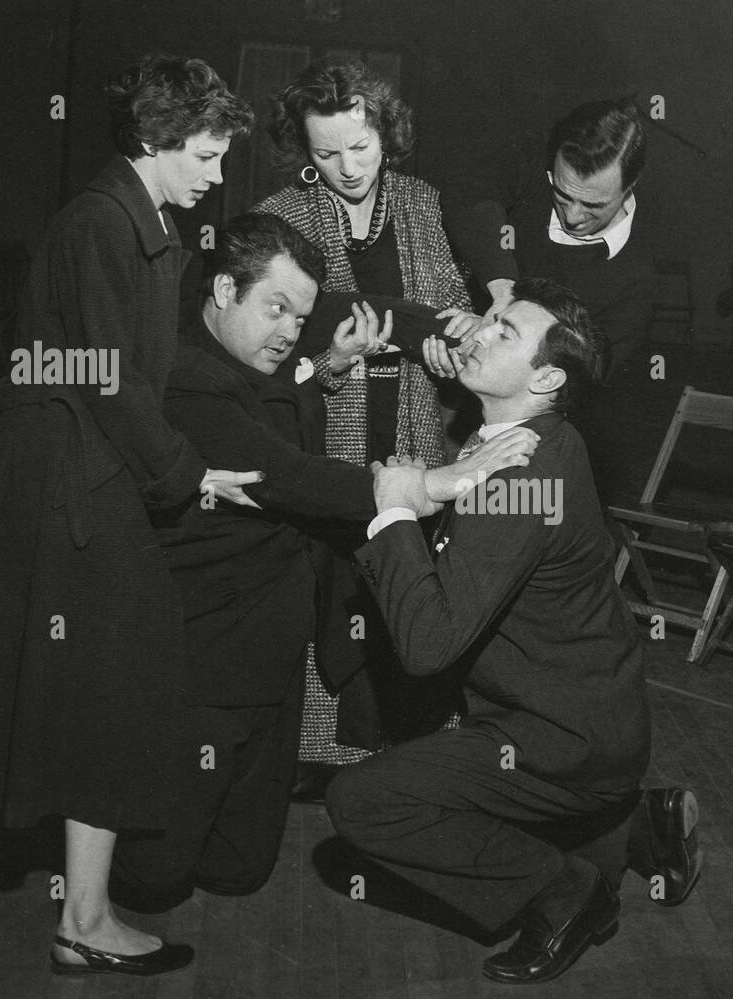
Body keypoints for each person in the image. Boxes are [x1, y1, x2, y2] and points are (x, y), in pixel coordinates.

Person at [0, 56, 259, 977]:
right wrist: (186, 475)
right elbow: (115, 382)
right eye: (203, 154)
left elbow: (148, 364)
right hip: (72, 476)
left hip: (50, 472)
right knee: (116, 672)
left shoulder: (137, 221)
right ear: (155, 143)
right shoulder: (101, 225)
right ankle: (83, 919)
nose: (214, 174)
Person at [111, 213, 537, 910]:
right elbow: (285, 472)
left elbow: (274, 404)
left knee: (239, 871)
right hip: (203, 654)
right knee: (154, 882)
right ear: (221, 290)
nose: (287, 331)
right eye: (274, 308)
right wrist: (428, 485)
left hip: (272, 649)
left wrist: (329, 364)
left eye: (299, 316)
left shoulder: (252, 365)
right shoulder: (186, 375)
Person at [328, 279, 698, 985]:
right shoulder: (539, 442)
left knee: (365, 801)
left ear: (549, 377)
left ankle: (567, 894)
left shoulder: (517, 472)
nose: (478, 332)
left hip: (561, 742)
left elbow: (428, 644)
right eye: (487, 319)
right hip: (594, 723)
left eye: (504, 333)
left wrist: (397, 513)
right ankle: (641, 825)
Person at [253, 61, 481, 786]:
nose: (348, 168)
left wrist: (451, 342)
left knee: (410, 576)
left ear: (387, 133)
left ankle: (407, 748)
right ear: (303, 151)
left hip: (414, 425)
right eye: (326, 153)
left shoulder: (421, 202)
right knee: (333, 586)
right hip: (328, 432)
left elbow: (446, 302)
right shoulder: (281, 216)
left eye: (361, 146)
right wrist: (332, 361)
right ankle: (323, 757)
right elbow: (271, 363)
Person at [439, 99, 657, 500]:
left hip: (540, 428)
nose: (573, 216)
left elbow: (582, 383)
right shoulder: (532, 156)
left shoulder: (640, 273)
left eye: (594, 205)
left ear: (630, 185)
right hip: (456, 395)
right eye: (562, 194)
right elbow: (468, 193)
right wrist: (502, 291)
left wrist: (496, 344)